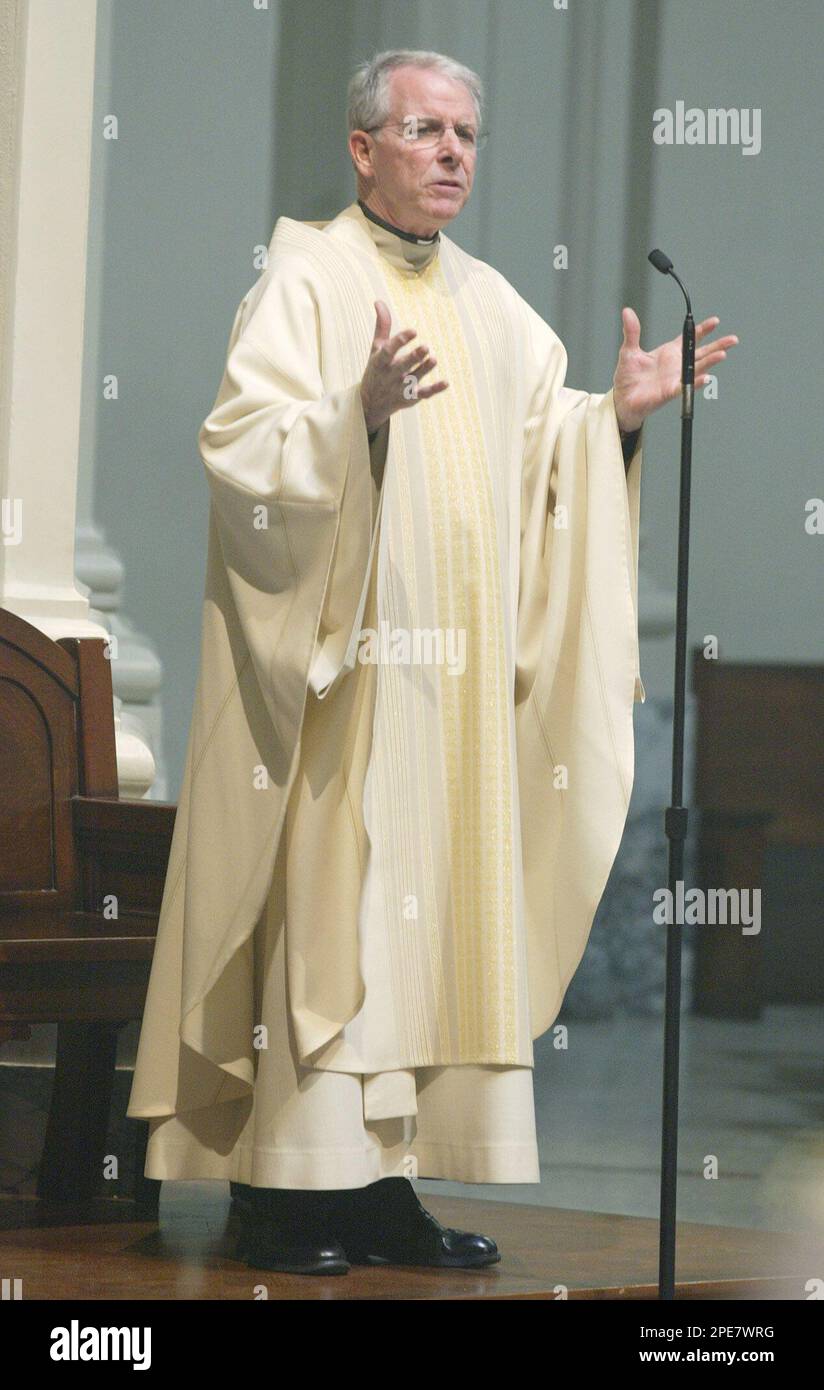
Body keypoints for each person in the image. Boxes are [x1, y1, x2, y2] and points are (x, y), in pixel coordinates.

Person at [126, 48, 737, 1276]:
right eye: (425, 130)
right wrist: (347, 412)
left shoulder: (489, 300)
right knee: (334, 922)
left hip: (449, 701)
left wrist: (609, 417)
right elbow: (242, 452)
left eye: (468, 132)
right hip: (342, 688)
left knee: (429, 933)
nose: (454, 151)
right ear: (363, 149)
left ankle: (381, 1187)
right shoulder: (303, 274)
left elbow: (538, 453)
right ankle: (284, 1189)